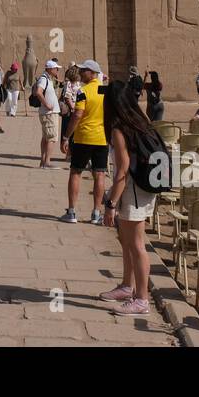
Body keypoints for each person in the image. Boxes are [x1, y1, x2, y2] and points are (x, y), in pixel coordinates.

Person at [100, 80, 159, 315]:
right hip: (138, 189)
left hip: (132, 190)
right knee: (126, 241)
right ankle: (127, 286)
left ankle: (142, 299)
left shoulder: (118, 128)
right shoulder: (138, 121)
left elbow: (122, 169)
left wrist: (110, 204)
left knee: (136, 244)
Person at [60, 60, 109, 224]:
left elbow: (78, 114)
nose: (80, 73)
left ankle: (72, 212)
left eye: (84, 71)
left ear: (93, 73)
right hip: (101, 138)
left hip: (83, 137)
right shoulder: (105, 90)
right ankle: (96, 213)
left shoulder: (83, 91)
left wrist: (66, 136)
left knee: (76, 172)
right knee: (100, 174)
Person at [33, 61, 61, 167]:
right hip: (49, 113)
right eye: (56, 68)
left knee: (46, 137)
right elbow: (38, 92)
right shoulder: (44, 79)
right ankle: (47, 162)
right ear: (50, 69)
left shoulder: (48, 79)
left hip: (49, 113)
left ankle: (43, 161)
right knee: (52, 137)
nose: (57, 70)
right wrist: (47, 105)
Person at [60, 62, 83, 151]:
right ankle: (68, 152)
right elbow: (67, 97)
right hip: (70, 111)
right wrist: (73, 107)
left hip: (76, 109)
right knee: (68, 130)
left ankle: (72, 151)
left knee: (74, 132)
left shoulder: (78, 83)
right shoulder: (68, 83)